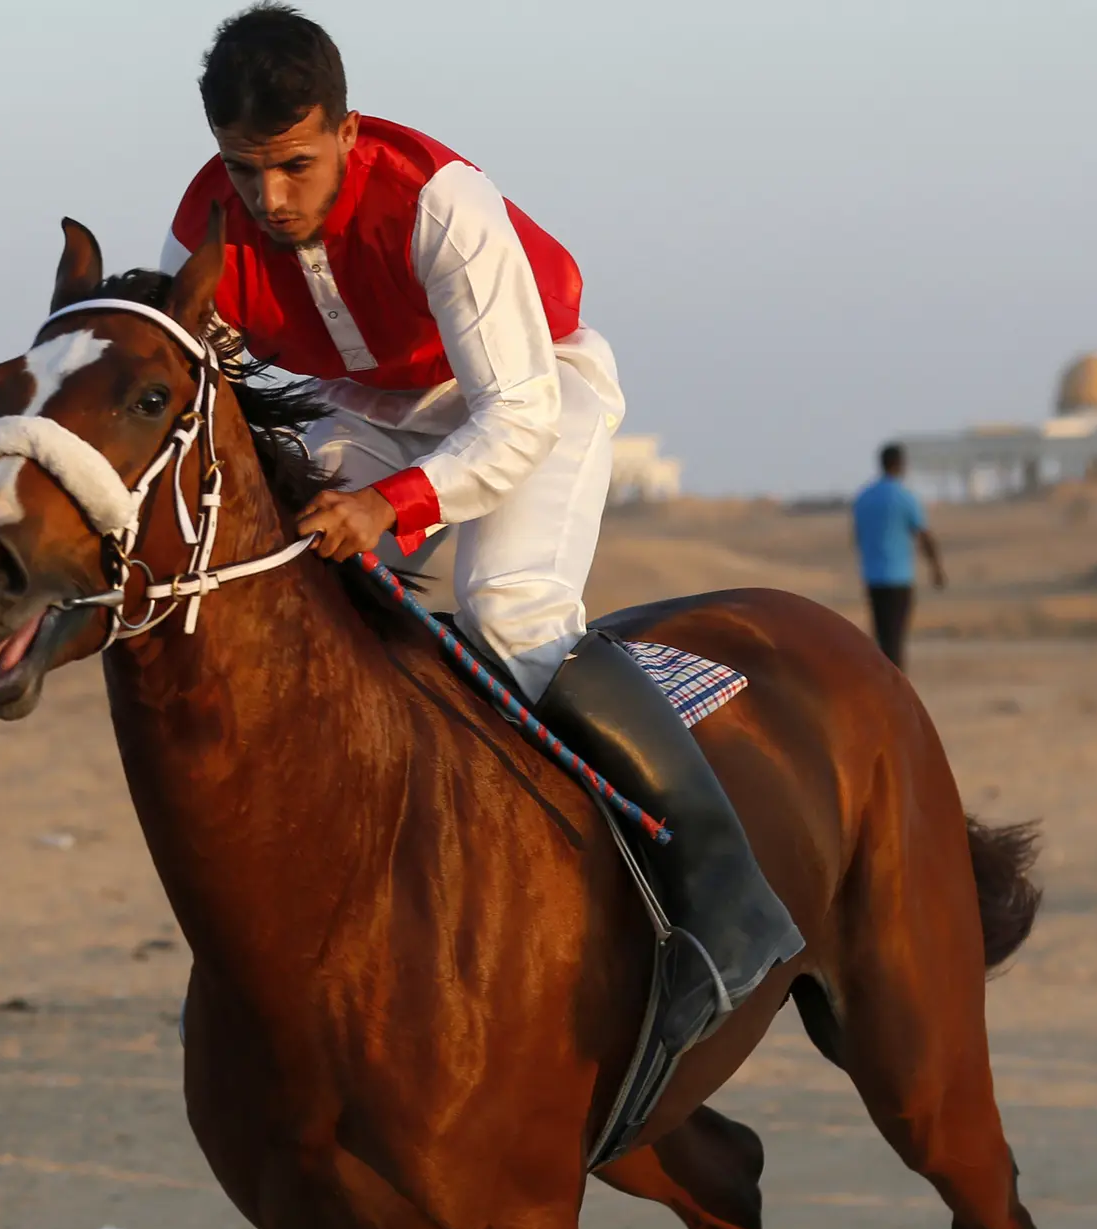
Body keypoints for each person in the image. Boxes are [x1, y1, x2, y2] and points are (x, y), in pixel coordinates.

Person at [159, 5, 801, 1065]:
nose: (268, 201)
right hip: (367, 408)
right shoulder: (205, 227)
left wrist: (392, 506)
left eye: (293, 167)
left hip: (530, 392)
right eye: (242, 170)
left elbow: (517, 418)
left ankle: (725, 902)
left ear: (347, 131)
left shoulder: (438, 203)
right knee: (272, 550)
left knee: (511, 612)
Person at [852, 444, 945, 669]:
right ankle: (894, 690)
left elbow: (857, 536)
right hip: (898, 578)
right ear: (900, 464)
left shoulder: (864, 497)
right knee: (895, 640)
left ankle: (886, 683)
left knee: (883, 636)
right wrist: (936, 569)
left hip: (873, 577)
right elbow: (924, 536)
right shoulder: (904, 497)